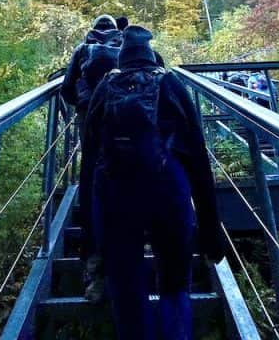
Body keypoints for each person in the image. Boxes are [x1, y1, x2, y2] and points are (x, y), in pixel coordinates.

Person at [85, 26, 225, 340]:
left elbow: (90, 158)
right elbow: (198, 159)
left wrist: (90, 239)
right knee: (175, 285)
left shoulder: (105, 88)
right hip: (168, 191)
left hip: (114, 196)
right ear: (152, 57)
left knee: (126, 288)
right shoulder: (171, 83)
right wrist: (210, 228)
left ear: (121, 61)